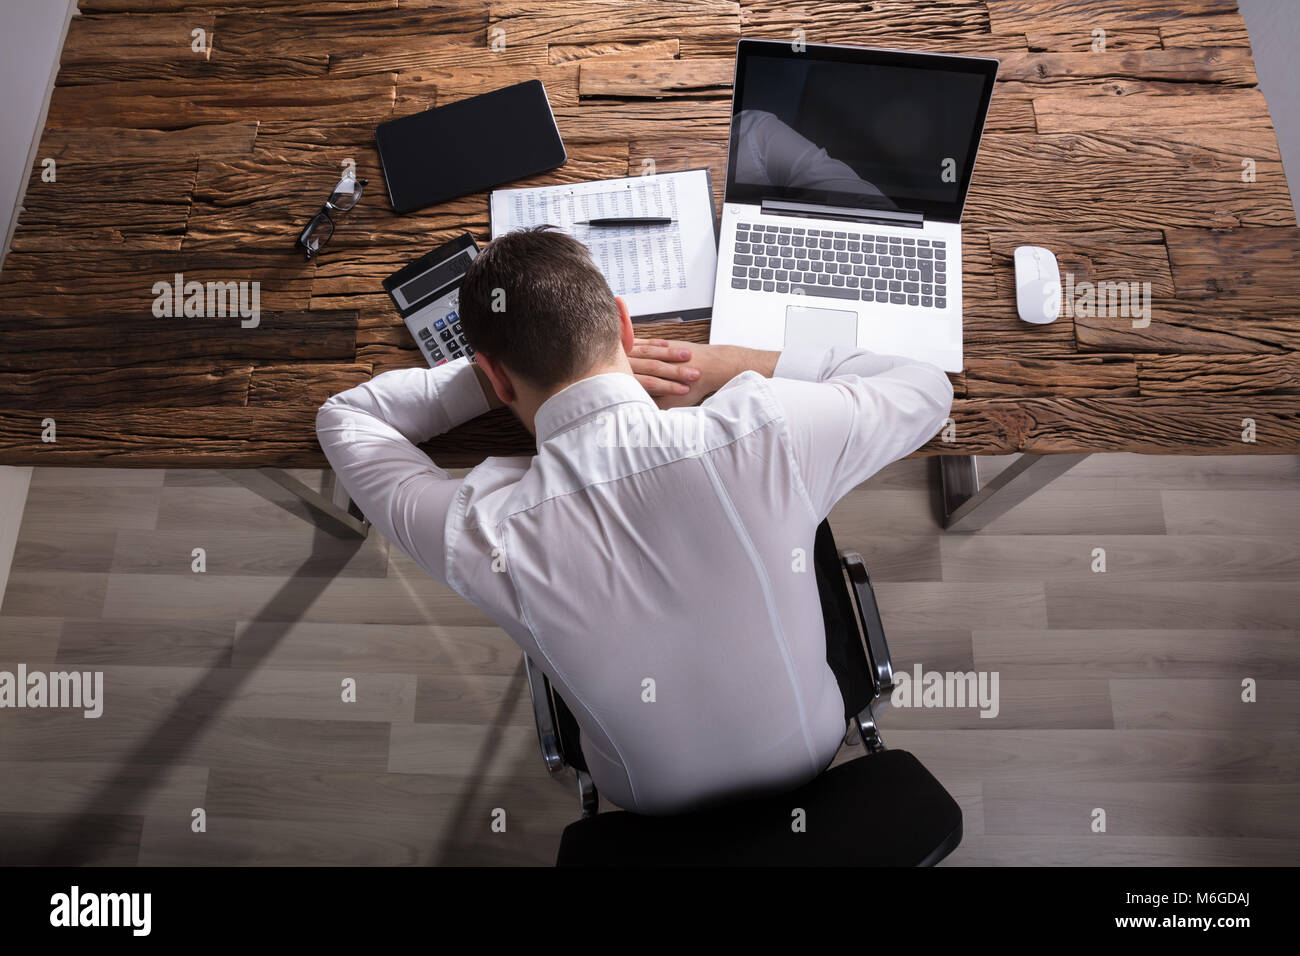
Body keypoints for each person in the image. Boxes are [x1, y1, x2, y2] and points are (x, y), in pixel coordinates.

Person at [316, 225, 953, 815]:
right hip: (810, 753)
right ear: (624, 325)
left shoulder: (481, 534)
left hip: (645, 802)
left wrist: (505, 373)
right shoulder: (766, 431)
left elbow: (345, 419)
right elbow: (926, 389)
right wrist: (720, 364)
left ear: (493, 377)